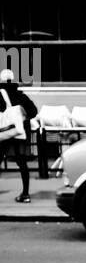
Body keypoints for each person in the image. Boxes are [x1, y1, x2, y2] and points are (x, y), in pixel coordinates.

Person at [0, 68, 37, 203]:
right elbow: (33, 112)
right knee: (22, 163)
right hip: (19, 132)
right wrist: (20, 116)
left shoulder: (0, 95)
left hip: (4, 132)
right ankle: (25, 194)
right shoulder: (21, 95)